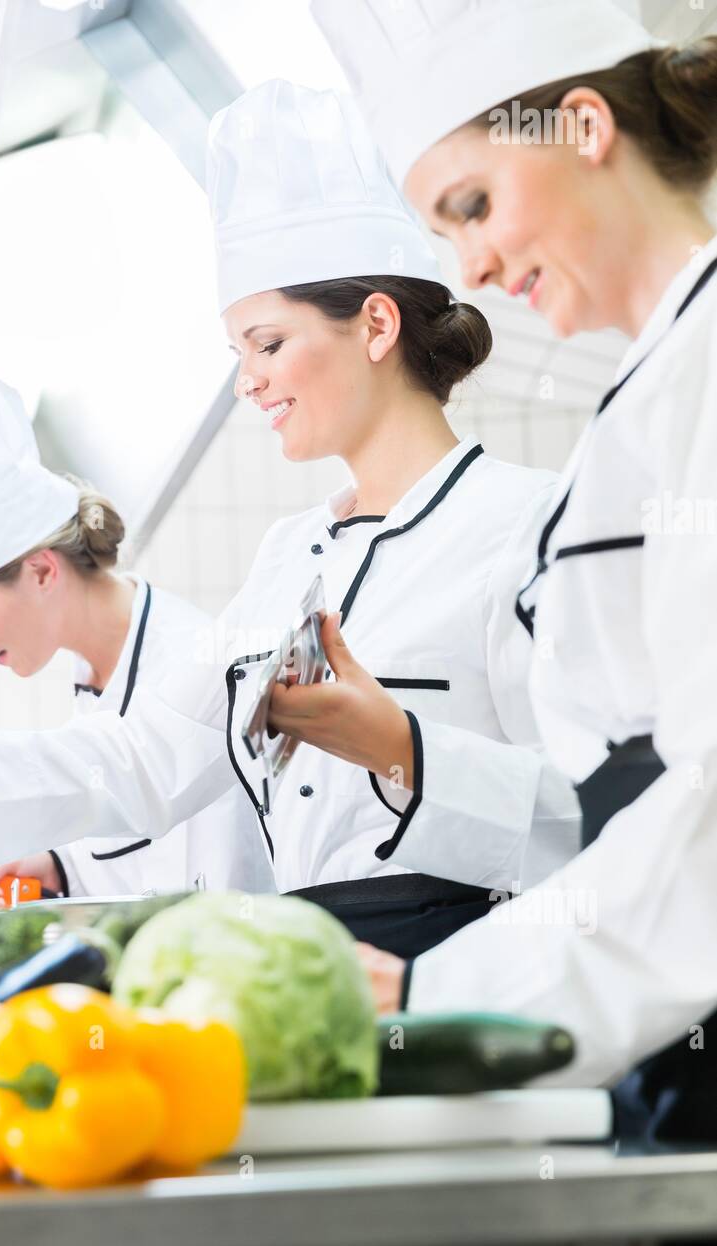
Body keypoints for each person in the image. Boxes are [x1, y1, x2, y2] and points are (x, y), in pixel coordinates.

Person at [0, 82, 579, 975]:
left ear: (375, 324)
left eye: (268, 343)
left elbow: (591, 816)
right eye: (237, 354)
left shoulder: (526, 523)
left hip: (472, 979)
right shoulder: (290, 559)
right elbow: (141, 759)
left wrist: (401, 752)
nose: (247, 381)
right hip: (316, 977)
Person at [301, 0, 717, 1138]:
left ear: (584, 125)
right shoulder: (649, 389)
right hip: (650, 1014)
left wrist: (452, 996)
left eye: (471, 205)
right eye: (444, 234)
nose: (473, 265)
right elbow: (608, 799)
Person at [0, 359, 274, 900]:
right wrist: (60, 867)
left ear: (41, 571)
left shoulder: (190, 659)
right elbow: (124, 817)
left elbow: (217, 885)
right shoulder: (95, 672)